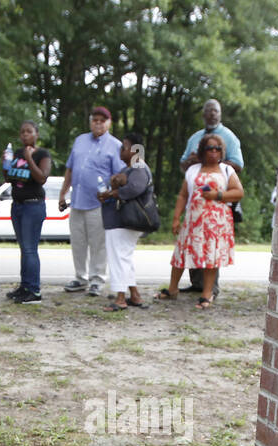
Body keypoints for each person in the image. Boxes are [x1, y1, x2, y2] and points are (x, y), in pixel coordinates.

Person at [160, 133, 243, 308]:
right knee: (182, 253)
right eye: (209, 148)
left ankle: (207, 293)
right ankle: (172, 289)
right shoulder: (193, 170)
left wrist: (218, 195)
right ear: (202, 151)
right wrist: (176, 218)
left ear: (222, 152)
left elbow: (238, 192)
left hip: (217, 222)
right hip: (194, 219)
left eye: (217, 148)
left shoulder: (227, 170)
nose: (213, 152)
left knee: (211, 256)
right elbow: (183, 195)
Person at [178, 99, 244, 297]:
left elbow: (238, 165)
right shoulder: (196, 137)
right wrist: (190, 163)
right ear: (203, 115)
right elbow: (183, 163)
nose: (212, 114)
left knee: (212, 245)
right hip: (196, 199)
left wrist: (211, 159)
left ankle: (210, 288)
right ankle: (196, 283)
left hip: (217, 200)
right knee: (195, 241)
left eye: (215, 111)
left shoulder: (228, 137)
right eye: (208, 111)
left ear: (220, 113)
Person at [58, 106, 124, 296]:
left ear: (109, 123)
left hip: (99, 203)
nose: (98, 123)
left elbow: (119, 176)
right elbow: (70, 169)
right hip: (77, 200)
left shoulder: (115, 145)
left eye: (102, 120)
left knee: (98, 244)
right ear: (90, 121)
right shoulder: (80, 140)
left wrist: (111, 194)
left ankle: (97, 279)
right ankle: (80, 278)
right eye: (95, 119)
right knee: (78, 242)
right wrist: (63, 193)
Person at [97, 132, 152, 312]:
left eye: (124, 146)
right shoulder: (128, 168)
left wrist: (112, 193)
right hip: (120, 220)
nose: (121, 149)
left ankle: (120, 298)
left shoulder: (139, 167)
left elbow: (134, 188)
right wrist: (111, 187)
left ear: (136, 150)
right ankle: (134, 295)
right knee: (124, 258)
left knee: (118, 258)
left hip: (126, 220)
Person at [3, 120, 52, 304]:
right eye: (22, 132)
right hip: (18, 205)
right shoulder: (16, 153)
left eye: (29, 131)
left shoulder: (42, 154)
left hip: (33, 205)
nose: (25, 135)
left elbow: (41, 177)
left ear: (36, 134)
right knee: (24, 249)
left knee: (30, 249)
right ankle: (24, 286)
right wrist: (5, 163)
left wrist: (29, 158)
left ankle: (34, 291)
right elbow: (8, 178)